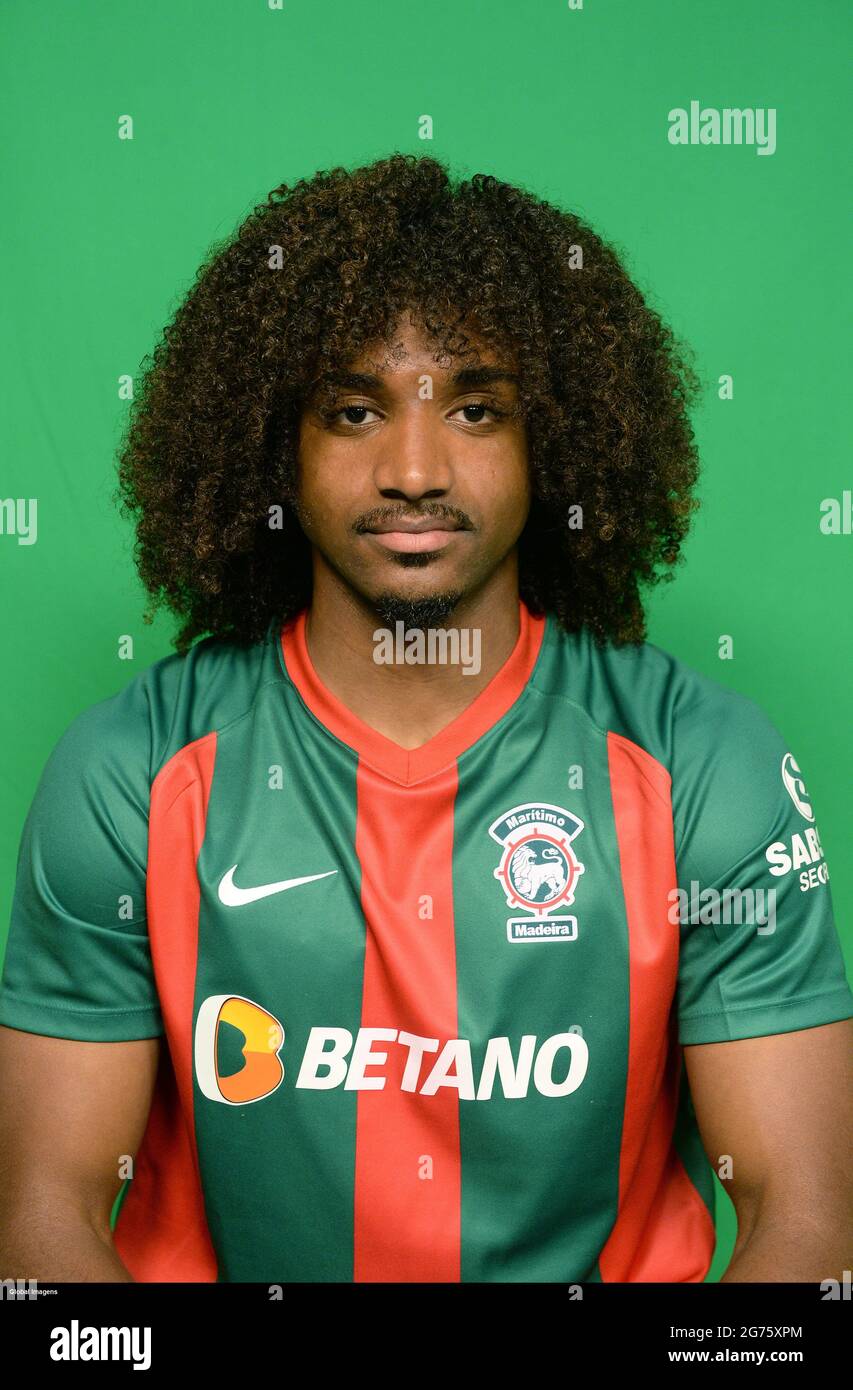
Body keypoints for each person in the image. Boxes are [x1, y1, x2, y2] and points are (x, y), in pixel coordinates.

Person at [0, 154, 850, 1284]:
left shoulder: (700, 763)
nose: (412, 467)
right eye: (352, 411)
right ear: (275, 449)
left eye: (476, 409)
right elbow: (42, 1219)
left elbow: (806, 1225)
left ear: (555, 443)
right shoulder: (131, 771)